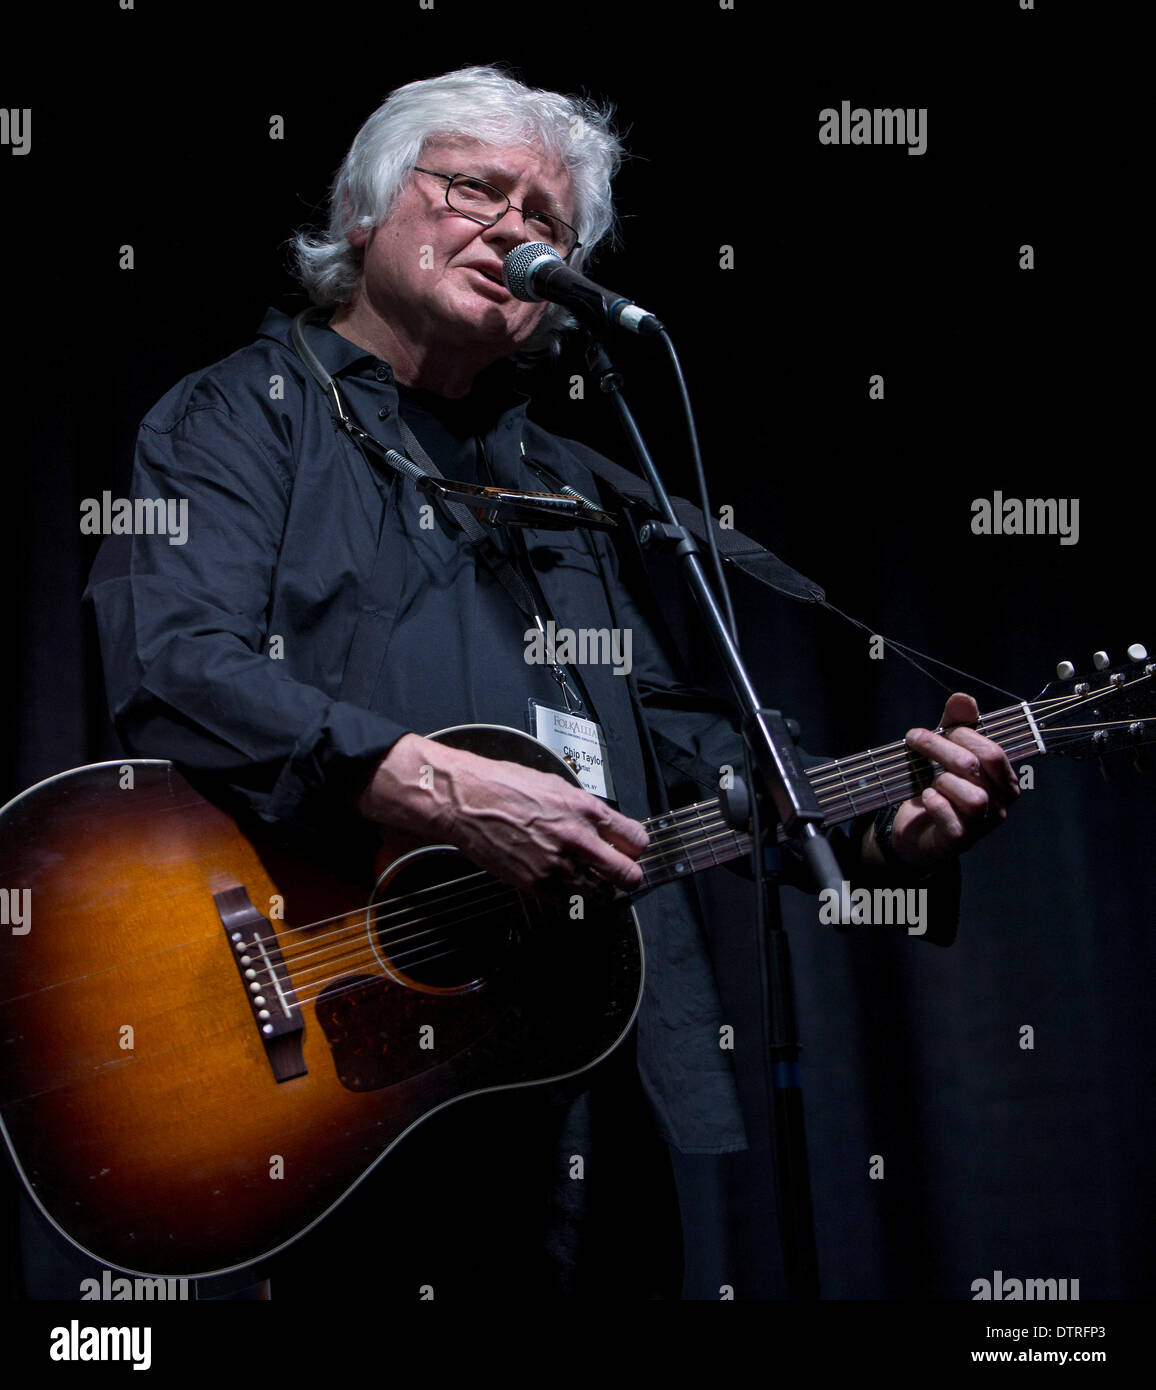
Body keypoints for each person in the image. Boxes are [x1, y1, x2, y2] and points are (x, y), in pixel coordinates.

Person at [84, 65, 1018, 1299]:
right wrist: (428, 784)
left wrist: (890, 835)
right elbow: (168, 662)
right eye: (477, 187)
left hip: (579, 1063)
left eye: (549, 219)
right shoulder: (242, 419)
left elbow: (675, 747)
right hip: (342, 1070)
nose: (517, 229)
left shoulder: (570, 486)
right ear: (366, 212)